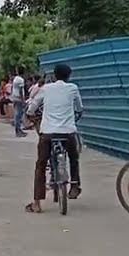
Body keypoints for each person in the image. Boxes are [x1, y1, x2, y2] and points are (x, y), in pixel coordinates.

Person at [24, 63, 83, 213]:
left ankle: (37, 203)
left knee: (41, 165)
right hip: (68, 133)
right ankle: (75, 185)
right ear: (69, 76)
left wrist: (31, 114)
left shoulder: (45, 89)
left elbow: (33, 106)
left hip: (48, 133)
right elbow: (79, 108)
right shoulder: (73, 88)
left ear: (54, 76)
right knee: (74, 157)